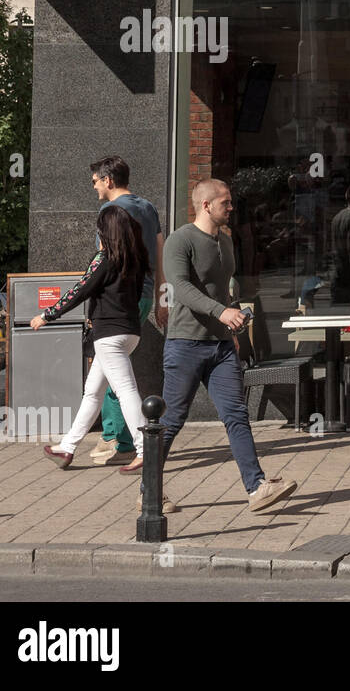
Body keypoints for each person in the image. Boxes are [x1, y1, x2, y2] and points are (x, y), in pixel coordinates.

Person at [160, 179, 298, 513]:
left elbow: (223, 290)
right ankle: (149, 491)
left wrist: (233, 326)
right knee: (171, 421)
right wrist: (221, 312)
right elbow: (180, 287)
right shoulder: (180, 240)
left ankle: (256, 488)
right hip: (185, 344)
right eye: (226, 202)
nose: (231, 207)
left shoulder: (227, 241)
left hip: (221, 345)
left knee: (236, 415)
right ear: (206, 205)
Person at [37, 205, 150, 473]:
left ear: (105, 232)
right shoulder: (135, 259)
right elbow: (133, 296)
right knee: (93, 393)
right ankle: (67, 447)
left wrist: (48, 314)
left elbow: (81, 289)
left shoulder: (104, 258)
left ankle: (146, 449)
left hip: (109, 335)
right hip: (129, 331)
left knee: (125, 390)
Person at [87, 155, 167, 468]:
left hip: (118, 298)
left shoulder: (109, 211)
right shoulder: (147, 207)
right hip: (145, 295)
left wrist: (95, 304)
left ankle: (118, 440)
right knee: (113, 365)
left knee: (111, 367)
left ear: (108, 180)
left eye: (95, 181)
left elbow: (102, 261)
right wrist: (161, 299)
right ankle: (114, 437)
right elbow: (160, 251)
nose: (94, 187)